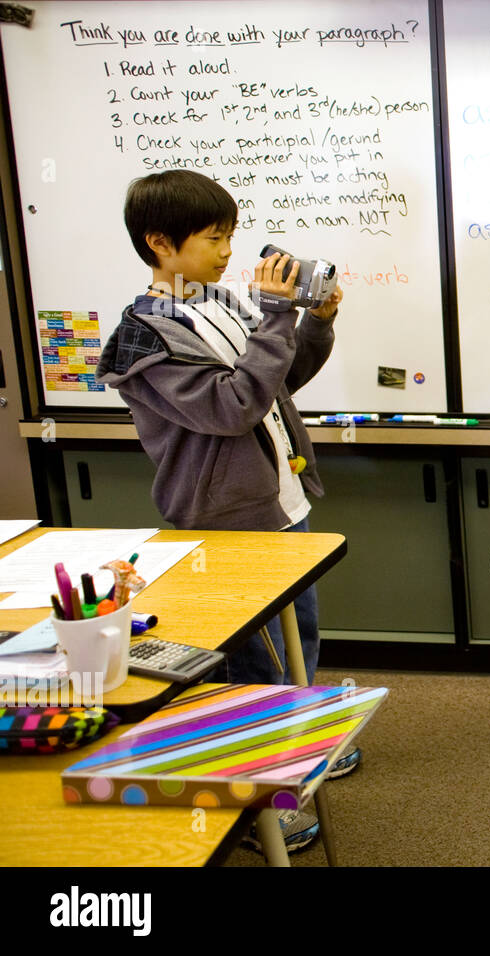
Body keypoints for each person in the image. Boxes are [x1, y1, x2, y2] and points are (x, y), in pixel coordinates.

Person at [97, 169, 359, 853]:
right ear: (160, 242)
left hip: (283, 502)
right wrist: (276, 314)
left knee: (299, 637)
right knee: (253, 665)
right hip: (227, 520)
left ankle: (296, 748)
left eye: (230, 235)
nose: (226, 251)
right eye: (215, 238)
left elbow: (277, 381)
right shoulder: (142, 339)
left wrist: (315, 319)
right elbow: (231, 406)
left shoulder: (218, 303)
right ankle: (255, 809)